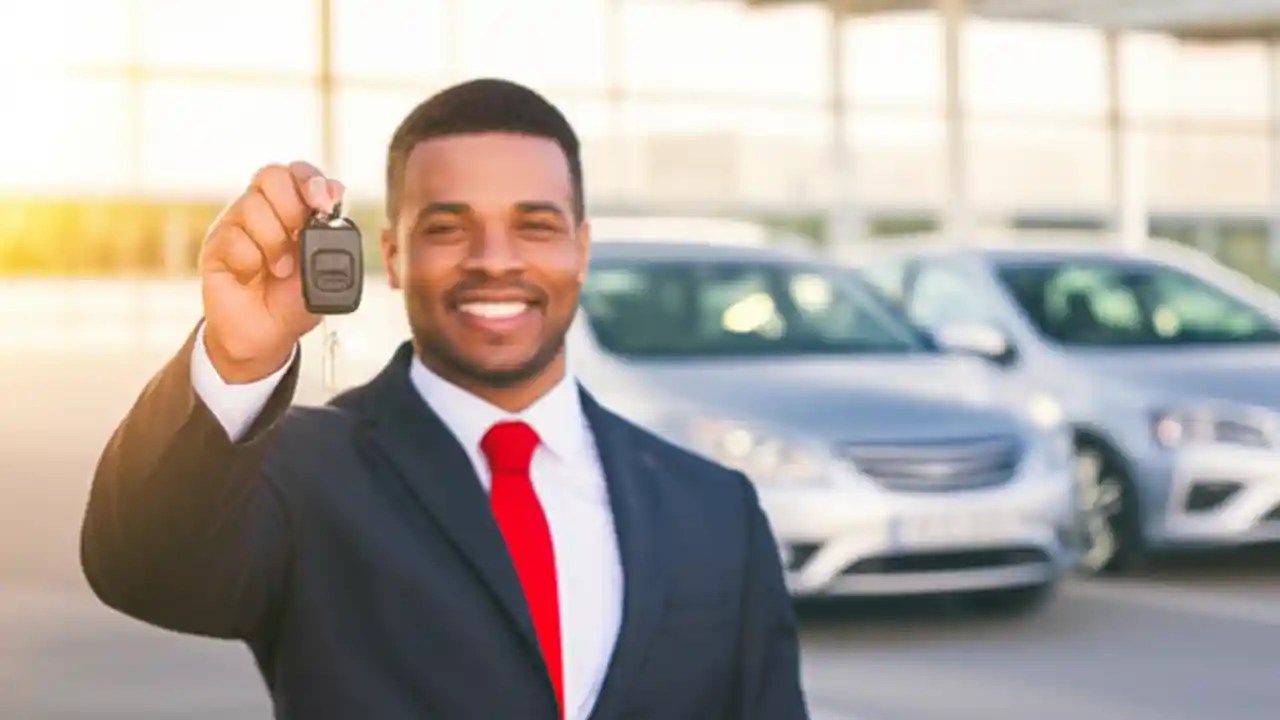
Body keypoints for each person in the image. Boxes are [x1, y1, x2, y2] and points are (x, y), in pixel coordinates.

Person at [80, 78, 809, 720]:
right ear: (392, 255)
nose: (494, 259)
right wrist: (239, 354)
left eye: (535, 224)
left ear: (581, 250)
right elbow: (146, 568)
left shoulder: (715, 508)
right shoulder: (302, 475)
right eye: (448, 227)